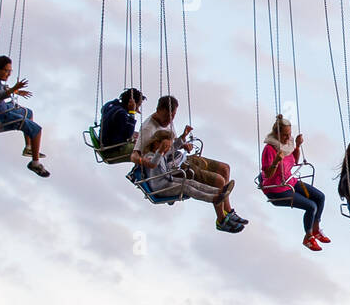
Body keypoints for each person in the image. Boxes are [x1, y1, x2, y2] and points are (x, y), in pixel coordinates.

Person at [134, 95, 247, 227]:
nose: (169, 120)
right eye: (166, 117)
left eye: (173, 116)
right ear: (158, 110)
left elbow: (172, 146)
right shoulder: (148, 129)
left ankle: (227, 211)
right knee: (218, 181)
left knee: (225, 168)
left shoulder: (168, 122)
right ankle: (221, 219)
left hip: (181, 158)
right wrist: (149, 159)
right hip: (172, 169)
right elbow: (137, 155)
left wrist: (183, 142)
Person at [135, 131, 242, 232]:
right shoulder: (149, 156)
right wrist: (160, 151)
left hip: (168, 180)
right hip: (160, 187)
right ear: (156, 143)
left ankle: (218, 192)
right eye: (165, 146)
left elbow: (173, 149)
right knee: (187, 188)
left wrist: (183, 137)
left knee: (190, 182)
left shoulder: (162, 153)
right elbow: (153, 164)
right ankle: (213, 198)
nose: (167, 149)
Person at [261, 115, 329, 252]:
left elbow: (293, 161)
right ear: (276, 133)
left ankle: (315, 228)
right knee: (311, 206)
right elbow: (267, 175)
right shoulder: (269, 149)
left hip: (289, 181)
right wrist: (275, 162)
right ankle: (308, 238)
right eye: (285, 135)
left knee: (320, 197)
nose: (287, 138)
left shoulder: (287, 145)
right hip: (277, 189)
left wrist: (297, 146)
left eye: (289, 134)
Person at [0, 55, 49, 176]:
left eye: (10, 71)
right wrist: (13, 89)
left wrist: (16, 91)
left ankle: (28, 147)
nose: (8, 74)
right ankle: (35, 163)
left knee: (28, 113)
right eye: (6, 71)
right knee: (36, 129)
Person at [98, 87, 145, 163]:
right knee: (147, 150)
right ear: (132, 103)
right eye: (138, 106)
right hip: (112, 150)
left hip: (105, 142)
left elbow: (115, 127)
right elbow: (128, 135)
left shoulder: (110, 105)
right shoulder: (121, 114)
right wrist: (132, 112)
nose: (138, 109)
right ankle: (139, 174)